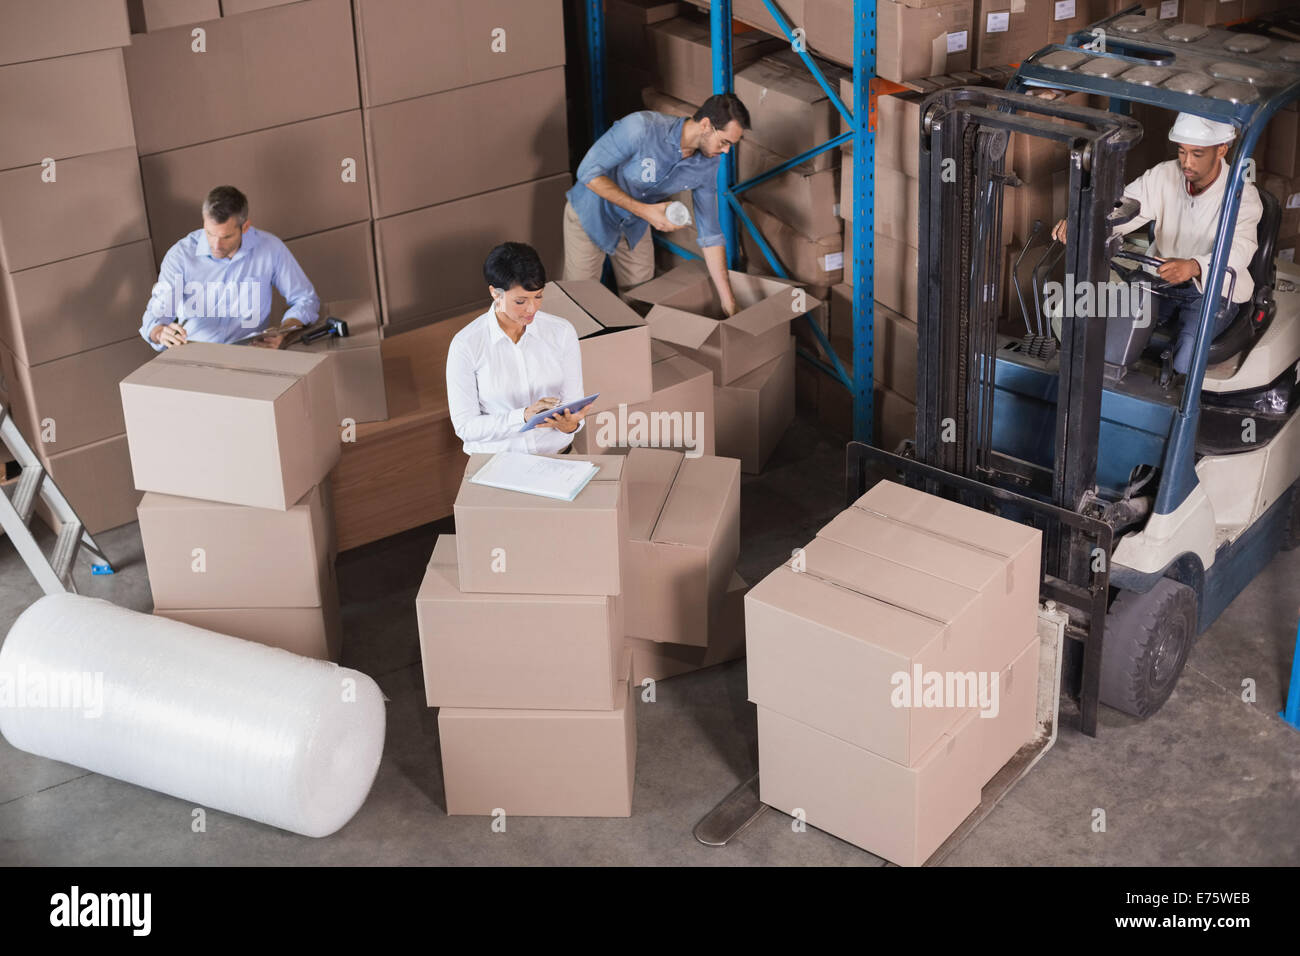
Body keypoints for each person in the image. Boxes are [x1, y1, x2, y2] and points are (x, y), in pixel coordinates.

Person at [1052, 112, 1261, 376]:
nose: (1186, 162)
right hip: (1160, 282)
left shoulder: (1243, 194)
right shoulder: (1164, 175)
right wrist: (1082, 222)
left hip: (1213, 290)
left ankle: (1179, 408)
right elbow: (1124, 208)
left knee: (1185, 356)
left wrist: (1195, 266)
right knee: (1107, 332)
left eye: (1197, 154)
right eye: (1182, 151)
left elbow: (1240, 249)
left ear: (1221, 150)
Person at [564, 93, 750, 313]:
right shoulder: (642, 128)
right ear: (706, 125)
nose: (727, 151)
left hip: (634, 226)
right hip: (592, 215)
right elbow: (587, 172)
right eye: (725, 142)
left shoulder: (708, 164)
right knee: (579, 304)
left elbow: (710, 234)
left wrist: (728, 301)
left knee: (642, 303)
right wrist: (646, 212)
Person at [445, 242, 588, 455]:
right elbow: (466, 427)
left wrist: (571, 426)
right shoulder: (466, 345)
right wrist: (523, 417)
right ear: (496, 293)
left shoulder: (562, 332)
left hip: (559, 457)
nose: (532, 309)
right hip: (498, 466)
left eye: (538, 296)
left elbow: (574, 406)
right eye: (520, 301)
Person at [139, 185, 320, 351]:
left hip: (252, 355)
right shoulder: (180, 255)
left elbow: (305, 300)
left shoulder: (270, 249)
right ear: (204, 222)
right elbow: (156, 315)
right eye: (210, 233)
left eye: (226, 237)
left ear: (245, 227)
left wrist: (284, 332)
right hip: (195, 357)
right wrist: (159, 332)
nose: (216, 245)